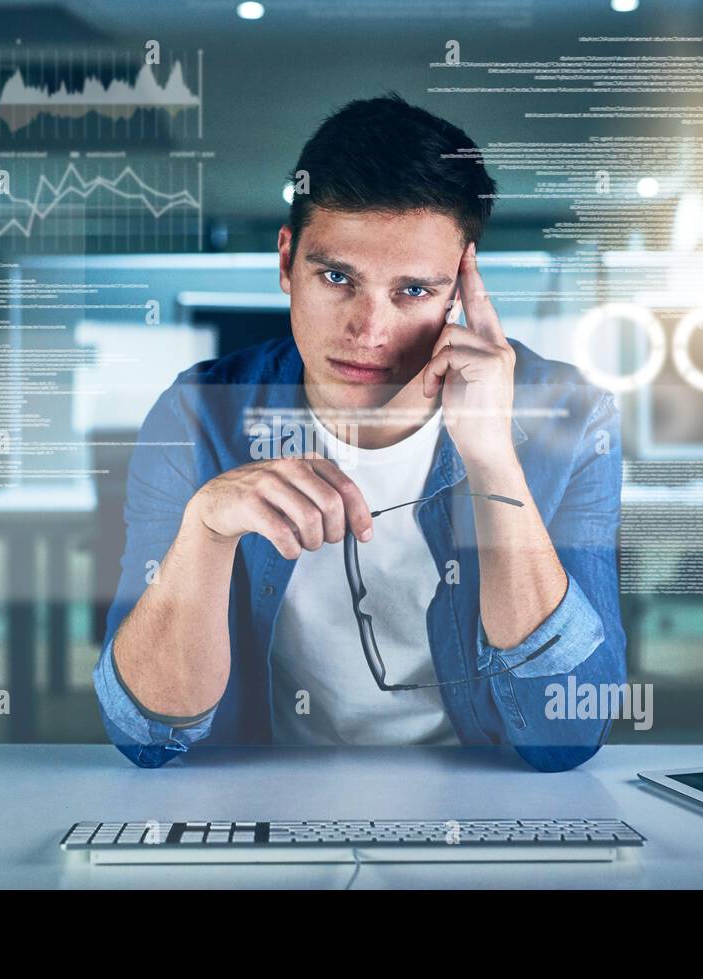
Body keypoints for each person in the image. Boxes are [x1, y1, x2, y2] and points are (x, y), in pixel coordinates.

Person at [93, 93, 626, 770]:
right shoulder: (198, 414)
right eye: (337, 276)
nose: (368, 332)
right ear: (287, 262)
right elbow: (143, 734)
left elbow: (569, 735)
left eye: (412, 291)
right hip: (269, 808)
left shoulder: (574, 418)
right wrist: (205, 530)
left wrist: (492, 460)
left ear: (461, 289)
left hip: (486, 805)